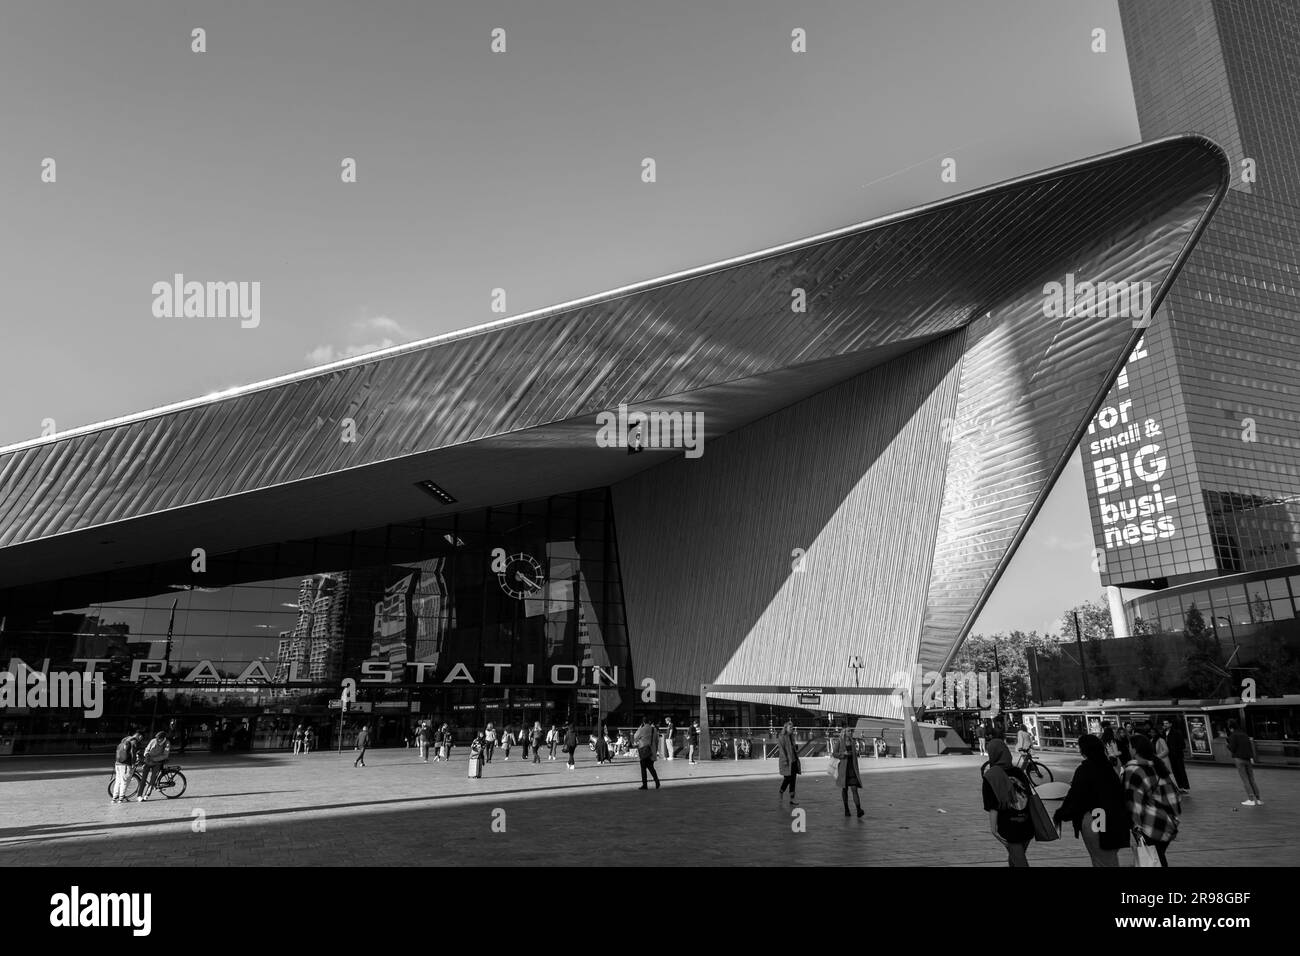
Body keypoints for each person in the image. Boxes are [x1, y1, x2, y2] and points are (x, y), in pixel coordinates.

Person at [1052, 735, 1128, 866]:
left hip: (1097, 817)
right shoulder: (1108, 767)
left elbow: (1076, 796)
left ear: (1084, 750)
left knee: (1101, 860)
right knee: (1107, 859)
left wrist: (1062, 813)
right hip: (1115, 819)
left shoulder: (1086, 769)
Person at [1123, 734, 1181, 867]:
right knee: (1157, 858)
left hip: (1148, 825)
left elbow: (1133, 802)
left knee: (1152, 860)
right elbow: (1175, 797)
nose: (1129, 749)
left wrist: (1136, 826)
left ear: (1135, 749)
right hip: (1167, 823)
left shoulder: (1133, 770)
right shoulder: (1158, 766)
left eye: (1130, 746)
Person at [981, 739, 1034, 867]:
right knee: (1016, 858)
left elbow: (993, 805)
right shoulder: (1018, 772)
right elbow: (1030, 796)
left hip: (1009, 826)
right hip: (1027, 823)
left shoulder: (991, 775)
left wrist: (993, 829)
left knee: (1019, 861)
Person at [1226, 719, 1262, 806]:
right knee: (1251, 779)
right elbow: (1250, 747)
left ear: (1231, 728)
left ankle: (1251, 799)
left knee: (1245, 780)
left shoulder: (1233, 735)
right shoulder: (1244, 734)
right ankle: (1259, 799)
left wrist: (1227, 744)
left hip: (1239, 759)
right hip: (1248, 759)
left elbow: (1232, 748)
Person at [832, 725, 864, 818]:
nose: (850, 732)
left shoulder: (853, 742)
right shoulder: (840, 742)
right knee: (844, 789)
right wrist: (843, 754)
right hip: (843, 769)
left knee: (854, 789)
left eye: (851, 731)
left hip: (852, 769)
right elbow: (834, 753)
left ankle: (858, 810)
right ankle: (846, 810)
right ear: (844, 732)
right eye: (849, 731)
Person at [111, 730, 144, 804]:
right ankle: (121, 799)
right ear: (140, 736)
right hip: (126, 764)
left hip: (118, 763)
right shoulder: (134, 742)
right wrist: (133, 763)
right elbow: (133, 753)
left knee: (118, 781)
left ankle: (114, 798)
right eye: (141, 738)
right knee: (124, 782)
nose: (141, 739)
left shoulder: (126, 739)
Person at [136, 731, 171, 802]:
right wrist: (146, 754)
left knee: (152, 780)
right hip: (148, 761)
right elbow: (147, 749)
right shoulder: (153, 741)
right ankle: (139, 795)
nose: (157, 740)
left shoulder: (167, 743)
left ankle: (147, 795)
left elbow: (165, 755)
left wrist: (154, 759)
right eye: (157, 738)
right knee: (143, 779)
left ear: (163, 738)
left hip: (157, 763)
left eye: (159, 739)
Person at [1163, 719, 1191, 793]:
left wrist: (1175, 749)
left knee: (1181, 771)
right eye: (1164, 723)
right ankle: (1180, 787)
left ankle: (1185, 787)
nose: (1165, 724)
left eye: (1166, 723)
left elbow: (1183, 745)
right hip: (1170, 756)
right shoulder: (1164, 733)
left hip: (1177, 755)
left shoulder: (1176, 732)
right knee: (1175, 771)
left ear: (1170, 724)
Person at [776, 721, 800, 806]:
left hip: (793, 760)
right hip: (786, 761)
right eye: (790, 728)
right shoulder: (782, 736)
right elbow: (781, 750)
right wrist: (785, 760)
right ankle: (781, 792)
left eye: (792, 728)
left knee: (793, 780)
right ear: (785, 728)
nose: (792, 729)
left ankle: (792, 799)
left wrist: (795, 748)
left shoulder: (791, 736)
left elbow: (793, 747)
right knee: (787, 779)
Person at [634, 717, 660, 789]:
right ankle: (656, 780)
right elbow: (657, 741)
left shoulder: (641, 729)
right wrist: (655, 750)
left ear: (643, 722)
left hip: (643, 751)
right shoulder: (654, 729)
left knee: (643, 768)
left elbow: (635, 737)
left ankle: (645, 785)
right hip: (651, 751)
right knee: (651, 767)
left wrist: (639, 728)